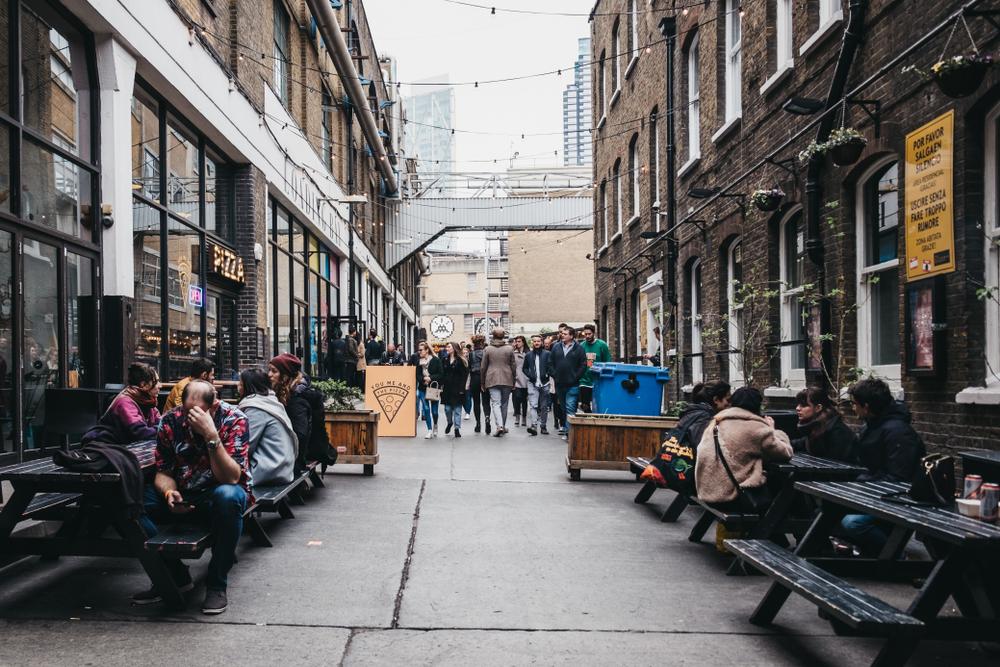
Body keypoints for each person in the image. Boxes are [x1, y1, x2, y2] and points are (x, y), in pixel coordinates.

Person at [137, 379, 249, 615]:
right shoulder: (170, 421)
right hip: (185, 492)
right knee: (134, 502)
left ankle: (217, 584)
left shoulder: (234, 419)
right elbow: (163, 473)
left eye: (199, 412)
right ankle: (173, 574)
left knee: (229, 497)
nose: (191, 417)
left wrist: (211, 435)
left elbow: (230, 477)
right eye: (188, 411)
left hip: (218, 492)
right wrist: (169, 492)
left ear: (214, 404)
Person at [839, 378, 925, 556]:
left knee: (853, 522)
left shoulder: (898, 433)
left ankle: (896, 557)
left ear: (867, 406)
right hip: (875, 492)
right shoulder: (870, 426)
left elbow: (899, 478)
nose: (853, 408)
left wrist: (861, 482)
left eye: (855, 404)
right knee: (827, 510)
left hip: (899, 499)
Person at [694, 386, 793, 510]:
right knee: (781, 492)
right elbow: (785, 453)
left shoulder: (717, 421)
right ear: (758, 406)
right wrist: (773, 430)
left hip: (707, 491)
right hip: (731, 496)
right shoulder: (756, 428)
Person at [238, 368, 297, 487]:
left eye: (240, 383)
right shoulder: (269, 401)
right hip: (281, 466)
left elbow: (246, 447)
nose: (237, 386)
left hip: (268, 470)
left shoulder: (256, 408)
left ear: (248, 386)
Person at [83, 363, 161, 446]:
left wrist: (161, 428)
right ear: (143, 384)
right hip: (104, 446)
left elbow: (161, 423)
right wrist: (161, 430)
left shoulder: (147, 402)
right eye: (156, 382)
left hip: (123, 446)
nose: (160, 385)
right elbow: (140, 432)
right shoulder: (125, 402)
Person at [268, 353, 312, 472]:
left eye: (274, 371)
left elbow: (300, 435)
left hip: (293, 460)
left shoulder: (296, 399)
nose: (269, 375)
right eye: (269, 370)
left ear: (285, 376)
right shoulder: (282, 393)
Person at [791, 387, 858, 462]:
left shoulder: (838, 432)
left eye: (803, 405)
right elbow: (799, 443)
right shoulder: (818, 427)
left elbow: (837, 465)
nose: (797, 408)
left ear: (818, 408)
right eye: (798, 404)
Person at [547, 325, 587, 438]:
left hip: (572, 384)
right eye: (562, 334)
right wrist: (555, 375)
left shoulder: (579, 349)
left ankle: (570, 432)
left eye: (565, 334)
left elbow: (583, 365)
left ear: (571, 336)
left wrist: (575, 377)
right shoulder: (556, 347)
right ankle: (566, 427)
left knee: (570, 407)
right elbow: (550, 363)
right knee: (564, 407)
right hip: (560, 384)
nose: (562, 335)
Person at [480, 327, 517, 437]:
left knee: (496, 403)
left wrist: (482, 382)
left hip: (492, 378)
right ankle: (503, 426)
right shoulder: (509, 349)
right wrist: (514, 380)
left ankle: (499, 426)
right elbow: (513, 366)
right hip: (507, 378)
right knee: (504, 404)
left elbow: (483, 367)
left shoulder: (488, 349)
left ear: (493, 336)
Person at [677, 380, 732, 451]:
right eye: (728, 400)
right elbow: (701, 448)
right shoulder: (704, 418)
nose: (730, 404)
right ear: (716, 400)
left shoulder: (692, 414)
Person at [523, 334, 552, 436]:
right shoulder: (528, 355)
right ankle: (534, 426)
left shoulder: (547, 354)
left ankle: (543, 426)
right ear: (532, 343)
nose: (536, 343)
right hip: (532, 383)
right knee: (533, 405)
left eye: (538, 341)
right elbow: (524, 368)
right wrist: (530, 375)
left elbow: (551, 366)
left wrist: (548, 374)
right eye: (534, 341)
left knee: (544, 406)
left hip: (545, 383)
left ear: (542, 342)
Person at [579, 324, 611, 413]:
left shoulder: (602, 345)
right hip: (584, 380)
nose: (587, 336)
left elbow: (607, 361)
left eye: (589, 334)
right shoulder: (581, 346)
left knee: (598, 404)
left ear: (594, 333)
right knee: (585, 405)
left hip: (598, 379)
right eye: (585, 334)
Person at [441, 342, 469, 439]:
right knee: (447, 409)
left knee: (457, 409)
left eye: (448, 346)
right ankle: (450, 422)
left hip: (458, 388)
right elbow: (442, 373)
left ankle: (457, 428)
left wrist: (462, 388)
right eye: (447, 346)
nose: (446, 348)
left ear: (454, 348)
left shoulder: (461, 360)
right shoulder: (444, 359)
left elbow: (464, 375)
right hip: (447, 388)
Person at [417, 341, 443, 438]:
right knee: (426, 409)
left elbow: (441, 374)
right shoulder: (419, 361)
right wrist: (423, 379)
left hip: (433, 388)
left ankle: (435, 425)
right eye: (419, 350)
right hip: (423, 388)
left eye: (421, 350)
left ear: (427, 350)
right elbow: (417, 374)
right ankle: (429, 430)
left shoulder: (436, 360)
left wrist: (430, 378)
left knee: (435, 411)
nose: (419, 352)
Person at [468, 336, 487, 433]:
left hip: (475, 378)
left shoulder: (471, 354)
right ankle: (487, 419)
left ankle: (478, 423)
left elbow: (469, 366)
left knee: (476, 402)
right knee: (486, 402)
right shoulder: (486, 353)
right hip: (485, 379)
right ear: (482, 343)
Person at [512, 335, 529, 427]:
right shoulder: (513, 353)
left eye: (519, 341)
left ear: (523, 342)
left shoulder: (528, 353)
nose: (517, 343)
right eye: (516, 341)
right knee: (517, 399)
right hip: (516, 379)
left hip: (526, 379)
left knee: (524, 400)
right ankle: (517, 416)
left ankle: (524, 417)